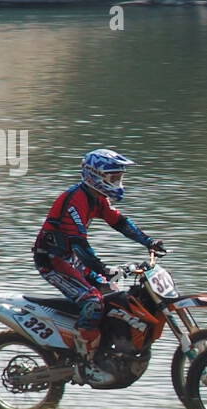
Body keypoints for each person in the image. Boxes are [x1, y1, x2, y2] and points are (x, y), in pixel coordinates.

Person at [32, 148, 165, 384]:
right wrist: (102, 268)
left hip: (72, 258)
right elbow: (78, 243)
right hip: (53, 259)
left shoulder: (97, 198)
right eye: (113, 177)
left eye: (118, 177)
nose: (117, 182)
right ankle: (85, 359)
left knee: (113, 294)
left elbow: (121, 223)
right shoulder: (76, 199)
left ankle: (104, 347)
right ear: (95, 176)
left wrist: (149, 242)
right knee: (93, 301)